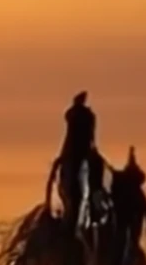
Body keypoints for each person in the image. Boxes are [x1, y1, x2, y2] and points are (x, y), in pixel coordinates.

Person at [45, 91, 107, 235]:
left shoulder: (75, 115)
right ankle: (91, 205)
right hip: (78, 150)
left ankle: (92, 203)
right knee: (91, 173)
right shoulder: (83, 115)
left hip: (74, 149)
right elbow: (90, 134)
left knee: (92, 171)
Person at [112, 146, 146, 264]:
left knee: (130, 241)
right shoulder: (129, 191)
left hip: (130, 221)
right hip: (125, 221)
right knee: (126, 240)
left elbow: (145, 208)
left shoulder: (132, 191)